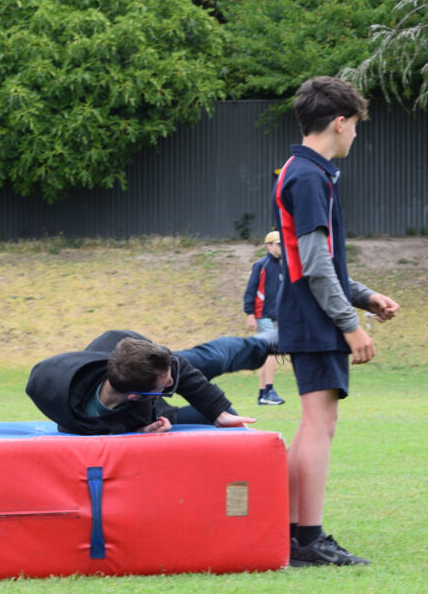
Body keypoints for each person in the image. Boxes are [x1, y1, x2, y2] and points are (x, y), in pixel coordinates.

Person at [273, 76, 400, 566]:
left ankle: (290, 534)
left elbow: (313, 260)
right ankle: (308, 538)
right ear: (340, 122)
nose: (355, 138)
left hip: (309, 312)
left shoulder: (302, 171)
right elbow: (313, 263)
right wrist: (351, 324)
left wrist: (366, 297)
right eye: (355, 127)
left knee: (313, 424)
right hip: (315, 318)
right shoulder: (308, 176)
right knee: (318, 424)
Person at [26, 330, 275, 435]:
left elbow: (172, 372)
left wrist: (218, 411)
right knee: (228, 421)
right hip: (149, 412)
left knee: (213, 357)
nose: (172, 383)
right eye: (167, 386)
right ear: (135, 396)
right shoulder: (77, 418)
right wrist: (137, 434)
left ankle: (265, 343)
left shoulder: (124, 354)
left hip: (142, 361)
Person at [244, 230, 285, 406]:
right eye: (278, 244)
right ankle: (268, 391)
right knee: (271, 352)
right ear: (268, 246)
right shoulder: (262, 265)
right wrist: (250, 314)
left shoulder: (283, 266)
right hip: (263, 315)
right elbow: (250, 290)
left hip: (276, 316)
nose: (281, 247)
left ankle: (262, 395)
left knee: (267, 353)